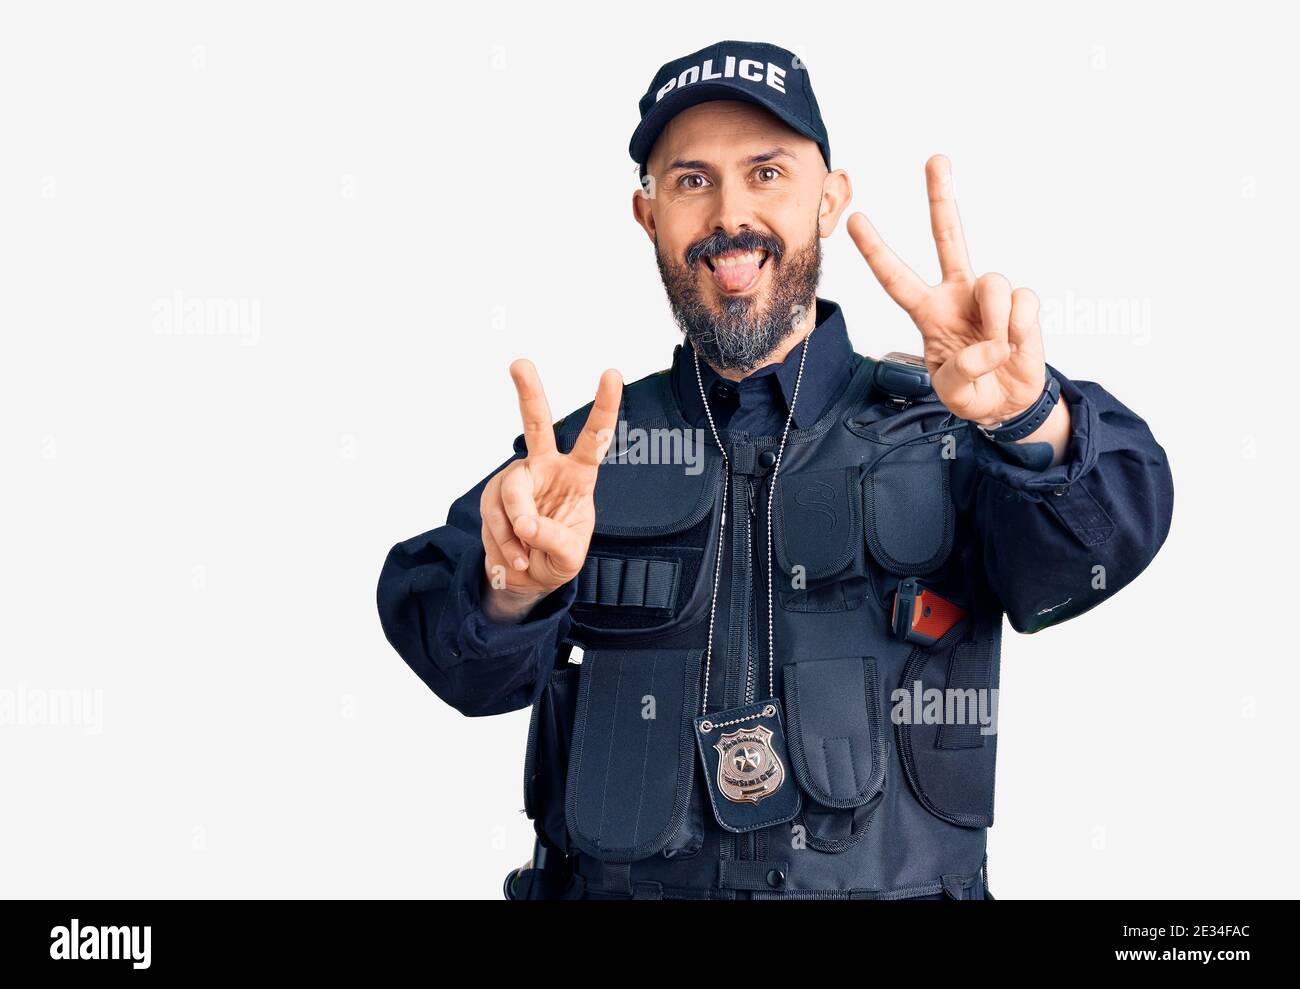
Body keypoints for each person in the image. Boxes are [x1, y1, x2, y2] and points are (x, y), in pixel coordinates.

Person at [377, 40, 1174, 900]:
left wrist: (1030, 419)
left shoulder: (954, 427)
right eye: (691, 180)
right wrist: (511, 592)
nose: (730, 215)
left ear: (829, 200)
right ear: (648, 217)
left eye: (767, 174)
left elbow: (1109, 539)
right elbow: (453, 657)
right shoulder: (579, 463)